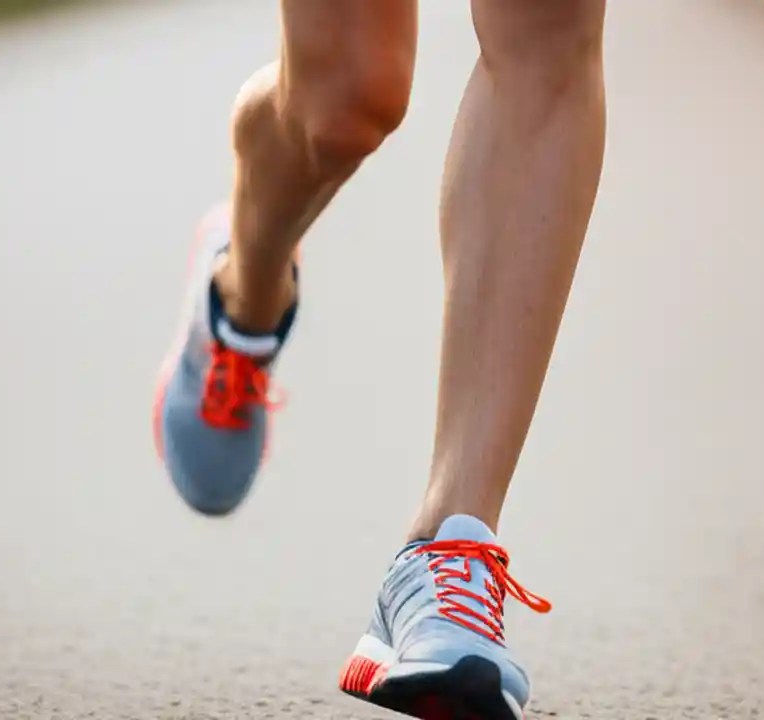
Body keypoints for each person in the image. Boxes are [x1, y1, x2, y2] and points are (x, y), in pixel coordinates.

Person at [152, 2, 606, 717]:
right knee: (349, 99)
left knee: (548, 25)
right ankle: (243, 291)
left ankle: (449, 550)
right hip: (333, 114)